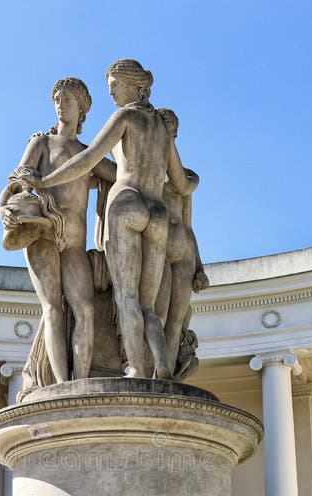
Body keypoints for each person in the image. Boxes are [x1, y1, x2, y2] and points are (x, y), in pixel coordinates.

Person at [26, 59, 196, 379]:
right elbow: (181, 184)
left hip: (128, 202)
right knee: (148, 305)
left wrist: (45, 181)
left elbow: (89, 159)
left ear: (133, 84)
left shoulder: (124, 116)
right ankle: (161, 363)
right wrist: (195, 180)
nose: (112, 92)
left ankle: (137, 367)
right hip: (157, 212)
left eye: (115, 85)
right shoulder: (162, 128)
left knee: (127, 296)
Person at [0, 77, 114, 381]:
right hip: (42, 234)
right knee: (52, 310)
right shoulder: (42, 143)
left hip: (74, 240)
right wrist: (2, 210)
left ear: (81, 107)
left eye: (67, 100)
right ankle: (61, 385)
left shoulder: (89, 154)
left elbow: (122, 176)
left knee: (85, 310)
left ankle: (80, 382)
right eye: (57, 100)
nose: (61, 105)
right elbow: (14, 184)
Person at [154, 108, 209, 373]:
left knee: (176, 320)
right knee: (159, 313)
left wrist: (200, 266)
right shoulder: (147, 173)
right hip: (159, 246)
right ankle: (155, 369)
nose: (168, 138)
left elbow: (188, 224)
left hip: (184, 249)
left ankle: (166, 377)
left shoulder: (187, 177)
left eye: (172, 134)